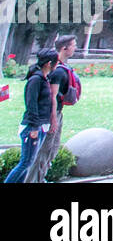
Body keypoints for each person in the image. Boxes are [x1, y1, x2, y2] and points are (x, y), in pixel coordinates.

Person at [28, 33, 78, 183]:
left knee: (52, 150)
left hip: (57, 113)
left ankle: (40, 178)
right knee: (44, 151)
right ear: (64, 48)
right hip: (51, 113)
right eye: (73, 45)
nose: (75, 48)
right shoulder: (56, 70)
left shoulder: (61, 67)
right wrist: (53, 119)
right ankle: (33, 180)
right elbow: (52, 96)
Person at [6, 49, 57, 183]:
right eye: (55, 63)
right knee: (26, 162)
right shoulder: (36, 80)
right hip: (32, 126)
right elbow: (31, 104)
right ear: (49, 63)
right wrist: (34, 127)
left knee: (28, 163)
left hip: (40, 126)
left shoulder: (44, 79)